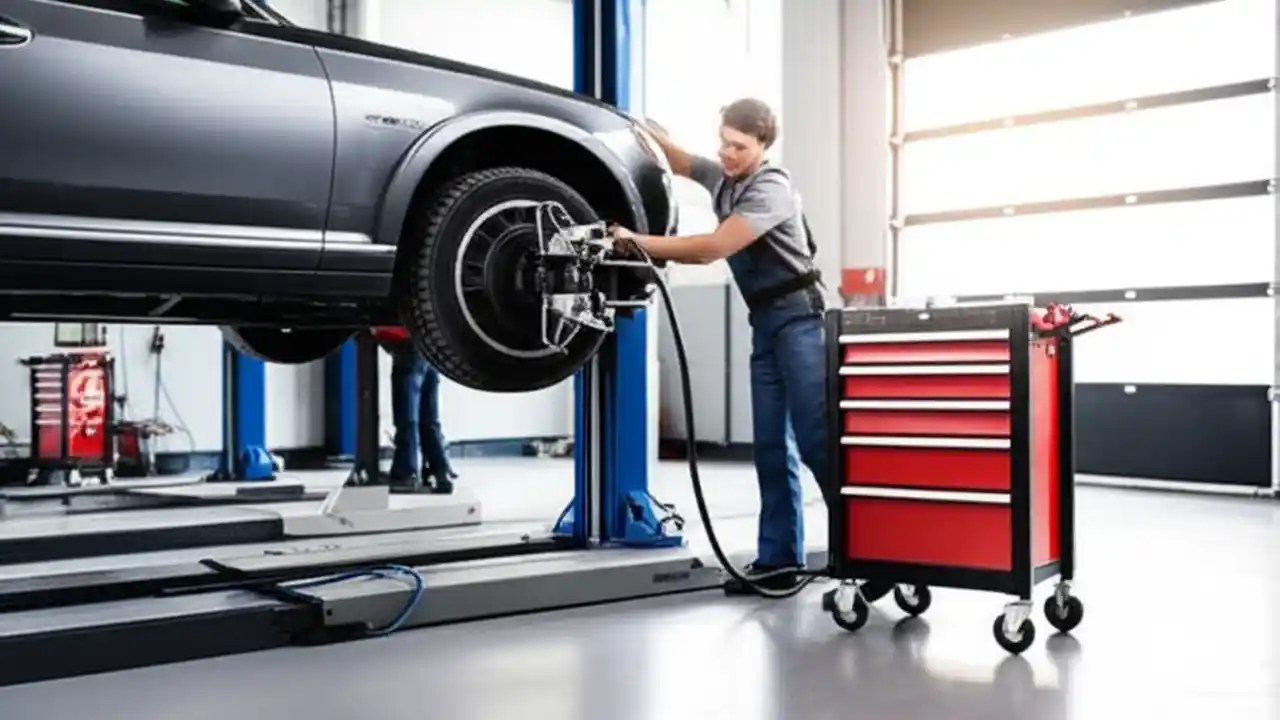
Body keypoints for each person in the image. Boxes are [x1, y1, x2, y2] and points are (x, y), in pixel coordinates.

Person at [610, 99, 888, 601]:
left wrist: (637, 242)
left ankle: (876, 553)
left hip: (802, 321)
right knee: (770, 447)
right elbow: (680, 159)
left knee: (817, 441)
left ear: (763, 145)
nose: (728, 153)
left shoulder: (770, 188)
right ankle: (779, 561)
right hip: (765, 324)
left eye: (739, 146)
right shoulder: (723, 176)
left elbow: (713, 248)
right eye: (723, 142)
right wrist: (633, 128)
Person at [372, 326, 457, 494]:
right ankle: (440, 471)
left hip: (407, 346)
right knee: (428, 419)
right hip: (428, 348)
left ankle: (406, 473)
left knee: (407, 418)